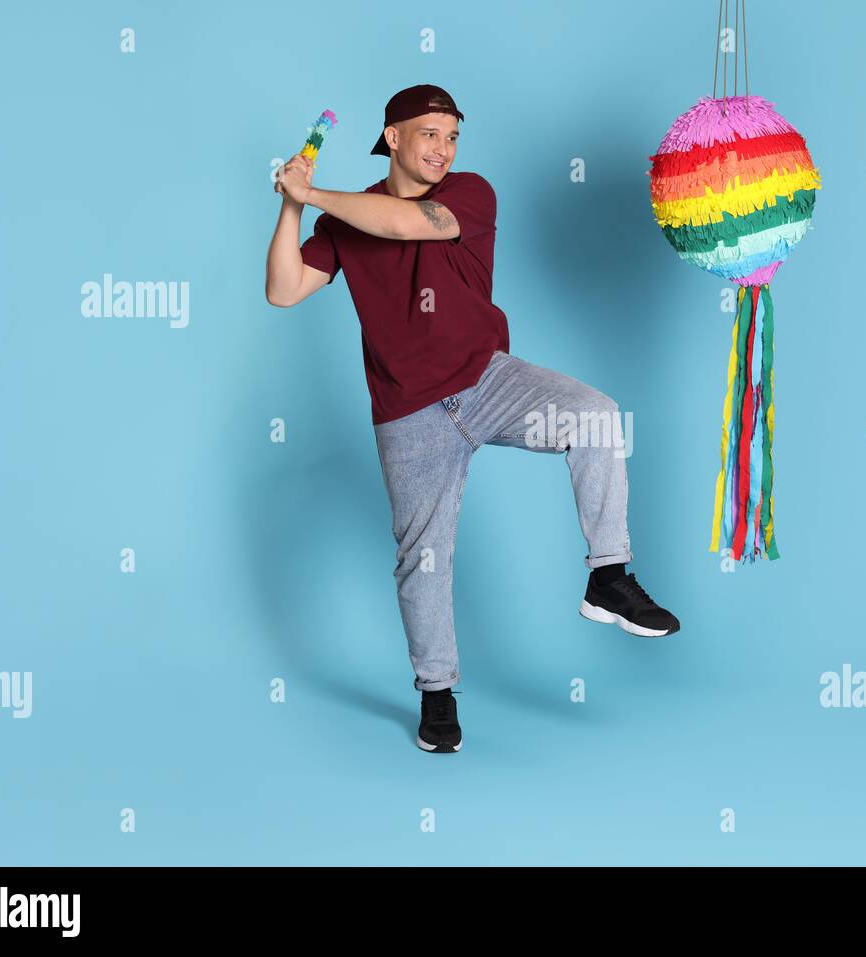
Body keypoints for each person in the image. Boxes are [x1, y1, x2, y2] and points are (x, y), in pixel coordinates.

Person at [265, 84, 680, 754]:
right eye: (429, 133)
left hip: (487, 383)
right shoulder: (346, 220)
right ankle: (436, 695)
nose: (443, 148)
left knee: (596, 418)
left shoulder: (470, 193)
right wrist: (292, 206)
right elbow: (283, 290)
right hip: (407, 414)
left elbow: (411, 223)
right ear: (392, 136)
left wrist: (315, 195)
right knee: (423, 560)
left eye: (453, 136)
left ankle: (609, 577)